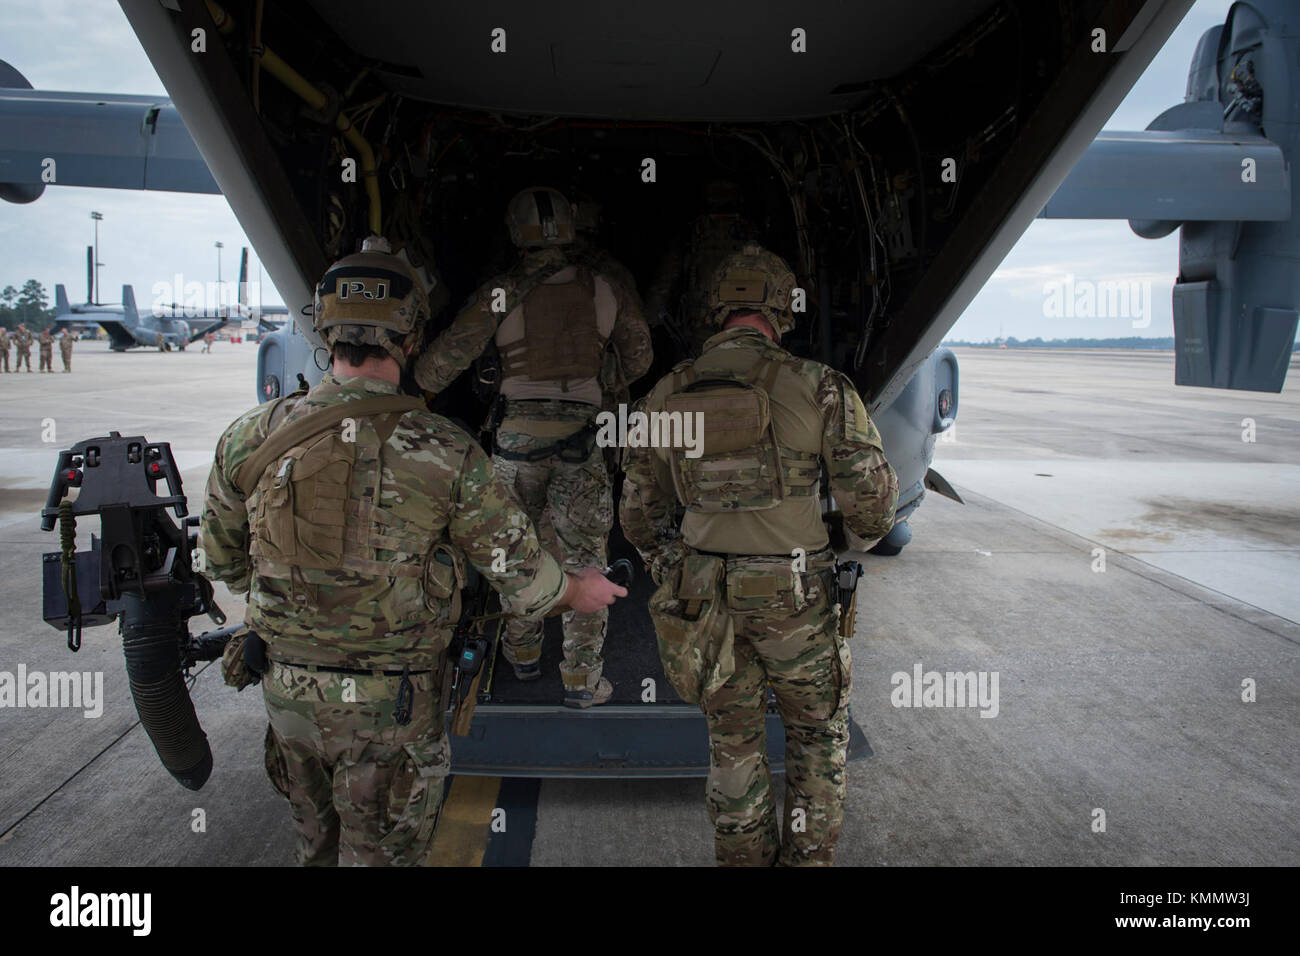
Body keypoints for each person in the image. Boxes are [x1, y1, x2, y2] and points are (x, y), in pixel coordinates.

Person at [200, 235, 626, 865]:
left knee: (313, 846)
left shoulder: (249, 437)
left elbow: (228, 565)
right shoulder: (446, 451)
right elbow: (523, 581)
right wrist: (579, 589)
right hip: (393, 704)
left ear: (326, 330)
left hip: (290, 697)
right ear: (410, 337)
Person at [621, 243, 898, 866]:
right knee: (815, 737)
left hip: (705, 600)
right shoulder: (820, 388)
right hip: (796, 597)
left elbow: (638, 514)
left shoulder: (666, 393)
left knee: (732, 746)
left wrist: (676, 567)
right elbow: (875, 511)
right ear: (782, 308)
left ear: (715, 310)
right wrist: (833, 538)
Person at [414, 187, 652, 707]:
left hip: (516, 443)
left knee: (517, 552)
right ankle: (581, 681)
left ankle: (522, 659)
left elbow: (436, 367)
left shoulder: (501, 293)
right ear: (569, 226)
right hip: (585, 443)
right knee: (587, 556)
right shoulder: (604, 287)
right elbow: (639, 357)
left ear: (513, 231)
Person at [644, 179, 758, 357]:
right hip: (743, 322)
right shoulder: (750, 234)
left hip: (702, 323)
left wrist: (649, 320)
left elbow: (664, 282)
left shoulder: (693, 233)